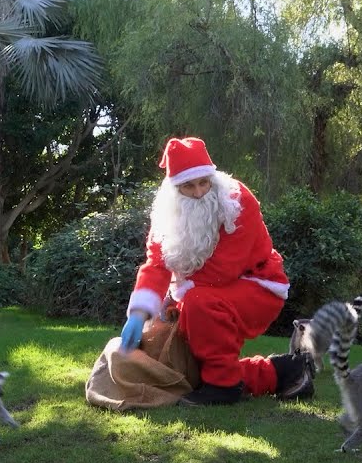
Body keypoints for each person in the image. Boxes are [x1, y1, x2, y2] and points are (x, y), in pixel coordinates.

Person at [119, 136, 314, 405]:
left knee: (199, 305)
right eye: (188, 186)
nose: (199, 192)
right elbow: (156, 262)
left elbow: (225, 267)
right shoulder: (166, 213)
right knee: (191, 361)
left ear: (212, 177)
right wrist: (139, 314)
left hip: (258, 283)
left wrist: (177, 299)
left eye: (203, 182)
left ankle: (222, 387)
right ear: (175, 189)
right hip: (204, 290)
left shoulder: (238, 201)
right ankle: (284, 371)